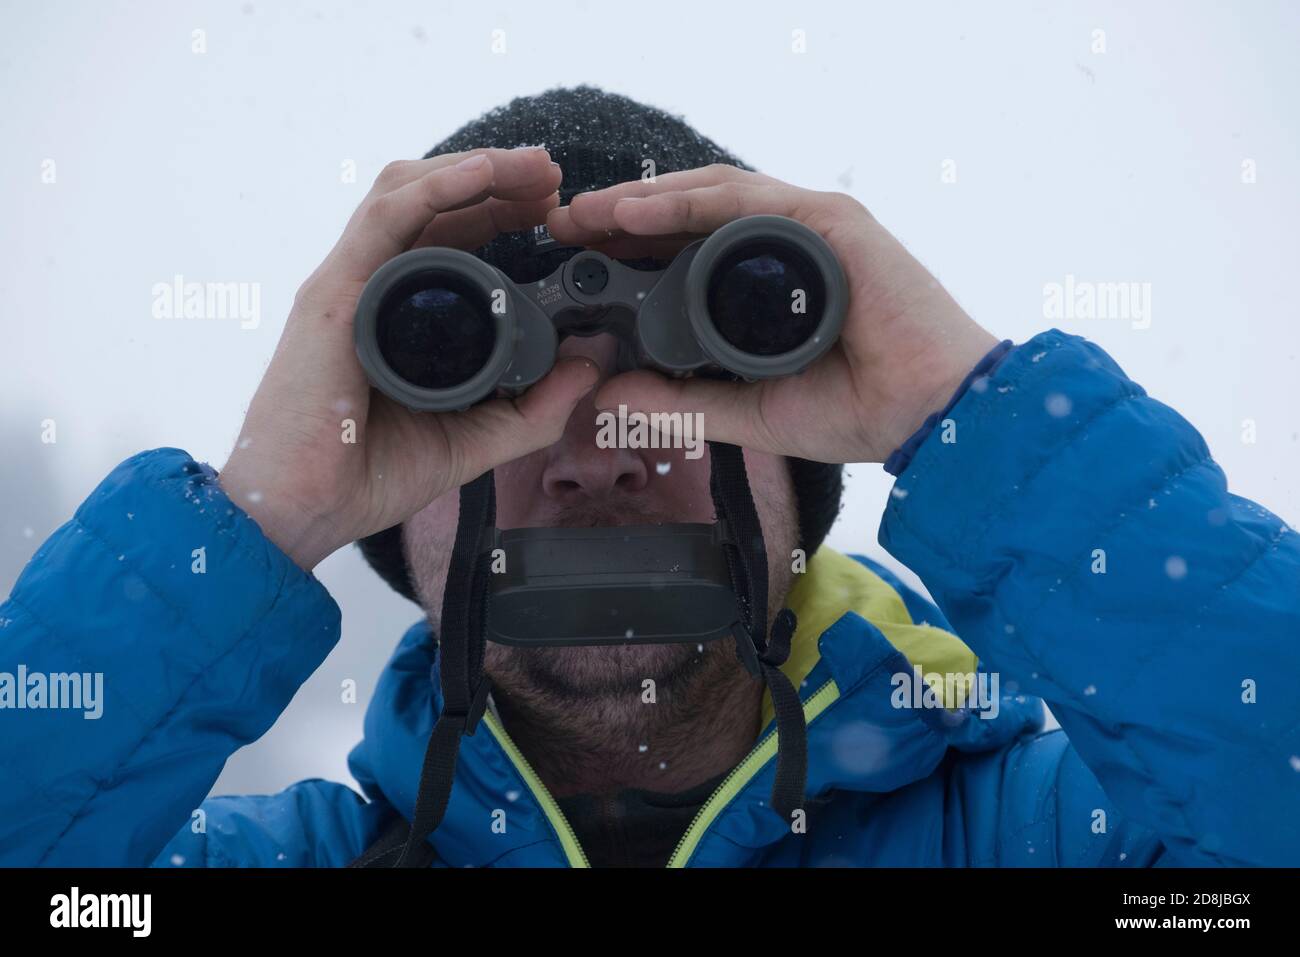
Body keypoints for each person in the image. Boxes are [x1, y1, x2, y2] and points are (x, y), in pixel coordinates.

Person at [1, 86, 1295, 868]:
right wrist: (263, 512)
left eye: (684, 380)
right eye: (490, 390)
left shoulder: (1061, 835)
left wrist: (969, 410)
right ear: (398, 501)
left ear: (805, 463)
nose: (592, 457)